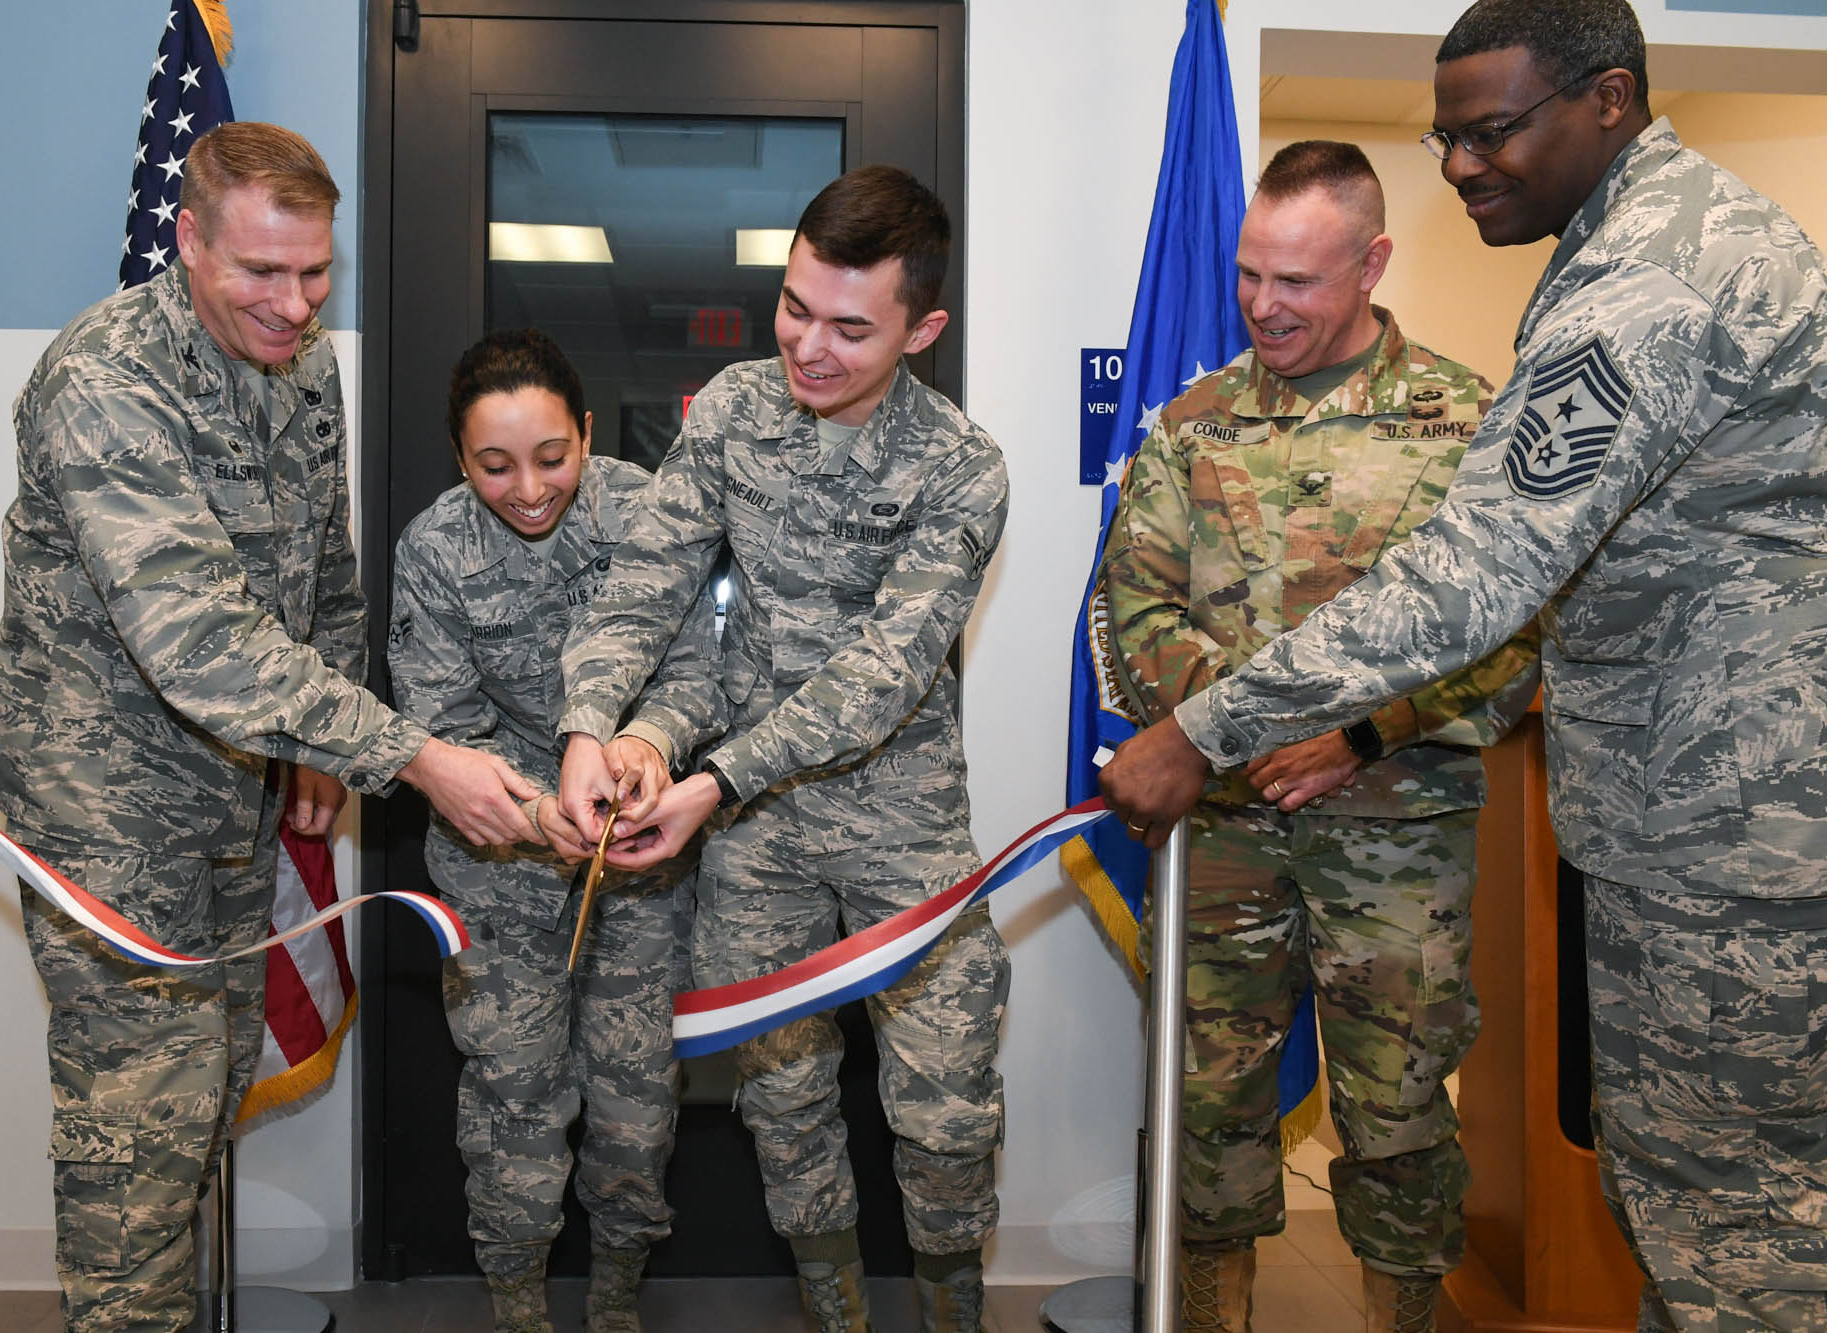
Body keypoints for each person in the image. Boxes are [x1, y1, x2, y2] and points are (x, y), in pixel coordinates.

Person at [1097, 3, 1827, 1329]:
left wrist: (1235, 733)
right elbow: (1134, 603)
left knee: (1729, 1224)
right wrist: (1215, 729)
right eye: (1446, 138)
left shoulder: (1644, 284)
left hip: (1721, 841)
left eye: (1492, 132)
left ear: (1609, 101)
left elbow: (1479, 589)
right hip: (1696, 829)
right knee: (1704, 1205)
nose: (1463, 165)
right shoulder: (1652, 244)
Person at [0, 122, 540, 1333]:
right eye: (262, 273)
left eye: (315, 272)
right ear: (186, 242)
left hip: (235, 798)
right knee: (135, 1146)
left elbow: (320, 577)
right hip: (110, 821)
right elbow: (196, 638)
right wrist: (408, 756)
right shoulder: (104, 382)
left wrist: (310, 754)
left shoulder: (303, 367)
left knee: (208, 1097)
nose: (296, 304)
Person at [1093, 140, 1539, 1333]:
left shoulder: (1464, 421)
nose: (1261, 305)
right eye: (1249, 275)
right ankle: (1212, 1310)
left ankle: (1404, 1313)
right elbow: (1129, 608)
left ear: (1372, 260)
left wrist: (1358, 733)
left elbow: (1514, 630)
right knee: (1209, 1096)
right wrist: (1238, 739)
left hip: (1395, 837)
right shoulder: (1192, 426)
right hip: (1224, 834)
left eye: (1294, 280)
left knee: (1397, 1110)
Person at [555, 165, 1010, 1333]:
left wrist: (712, 779)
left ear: (923, 330)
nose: (807, 346)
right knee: (781, 1094)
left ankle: (954, 1315)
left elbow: (880, 677)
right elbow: (643, 583)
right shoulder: (729, 415)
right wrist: (590, 727)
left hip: (899, 825)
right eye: (794, 307)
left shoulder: (962, 469)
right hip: (759, 840)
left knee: (945, 1103)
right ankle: (838, 1315)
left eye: (849, 327)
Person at [387, 330, 724, 1333]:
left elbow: (695, 666)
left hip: (639, 879)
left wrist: (649, 747)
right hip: (499, 880)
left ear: (585, 433)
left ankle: (616, 1302)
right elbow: (443, 730)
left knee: (635, 1114)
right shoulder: (435, 551)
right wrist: (540, 814)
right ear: (459, 459)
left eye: (550, 457)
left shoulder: (643, 512)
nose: (528, 488)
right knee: (513, 1116)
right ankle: (519, 1308)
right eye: (494, 466)